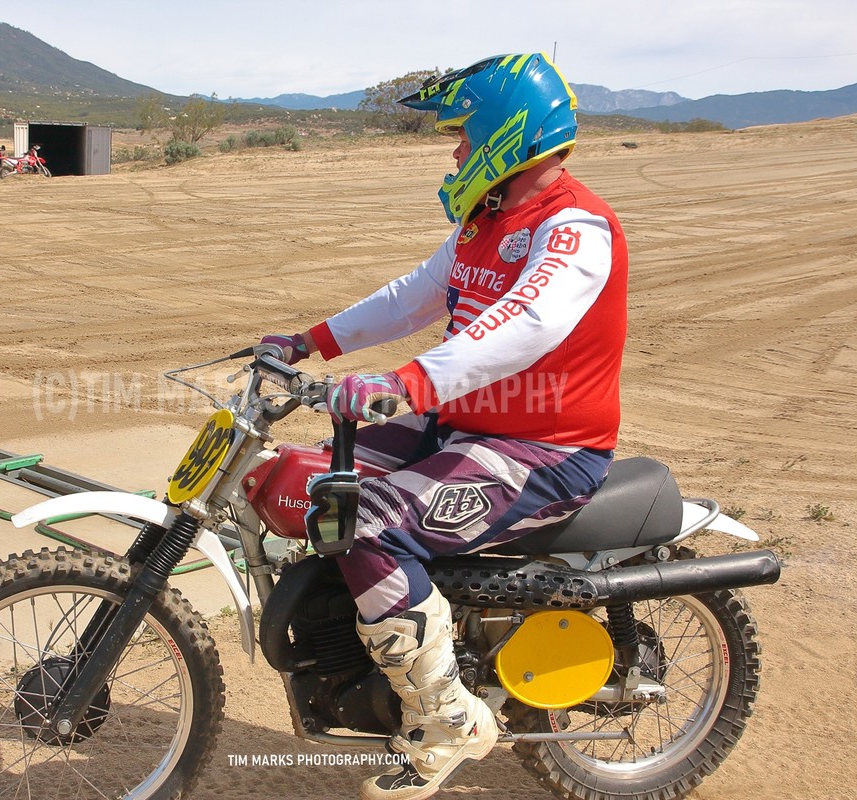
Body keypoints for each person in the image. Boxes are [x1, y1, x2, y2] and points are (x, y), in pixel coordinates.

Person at [261, 52, 628, 800]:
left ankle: (446, 715)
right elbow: (414, 297)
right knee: (305, 478)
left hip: (543, 448)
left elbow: (523, 325)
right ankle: (362, 650)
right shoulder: (486, 220)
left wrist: (406, 382)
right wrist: (309, 340)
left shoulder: (574, 229)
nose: (456, 151)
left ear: (506, 133)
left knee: (363, 523)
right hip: (459, 426)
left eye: (463, 136)